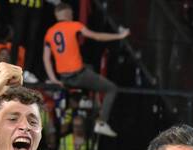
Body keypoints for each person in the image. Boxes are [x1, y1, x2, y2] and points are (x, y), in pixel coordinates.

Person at [42, 3, 129, 137]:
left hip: (64, 78)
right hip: (78, 76)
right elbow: (96, 36)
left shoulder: (49, 32)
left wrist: (54, 79)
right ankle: (101, 122)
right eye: (71, 13)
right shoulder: (74, 25)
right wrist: (119, 36)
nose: (72, 15)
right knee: (112, 88)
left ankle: (85, 97)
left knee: (89, 68)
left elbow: (46, 58)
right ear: (67, 13)